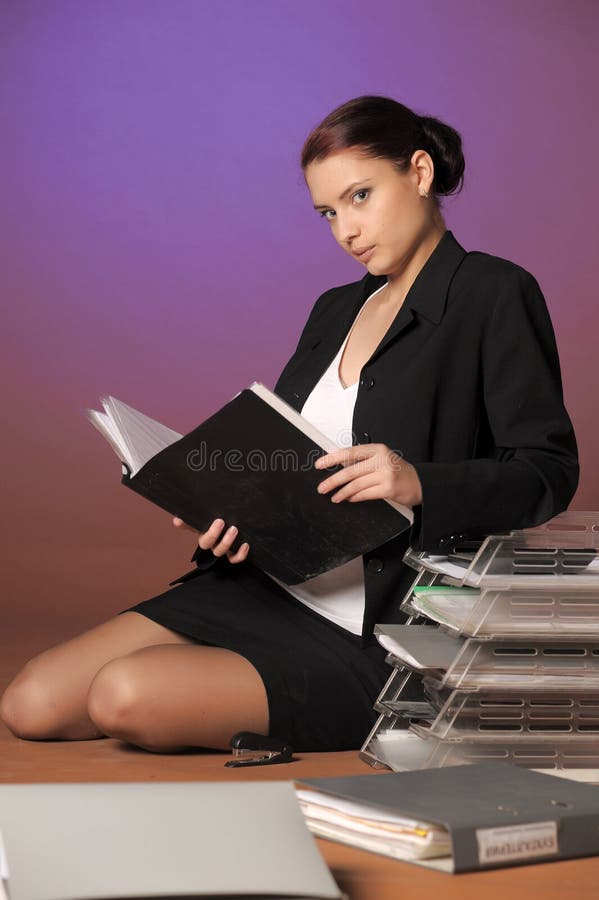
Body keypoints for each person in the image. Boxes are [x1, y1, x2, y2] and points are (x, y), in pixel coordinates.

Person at [0, 96, 578, 753]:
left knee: (121, 696)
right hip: (271, 585)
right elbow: (289, 459)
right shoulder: (333, 310)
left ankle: (393, 709)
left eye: (360, 196)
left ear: (418, 172)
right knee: (31, 703)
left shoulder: (492, 293)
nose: (345, 231)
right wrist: (229, 513)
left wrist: (419, 481)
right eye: (328, 213)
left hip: (379, 624)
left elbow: (547, 471)